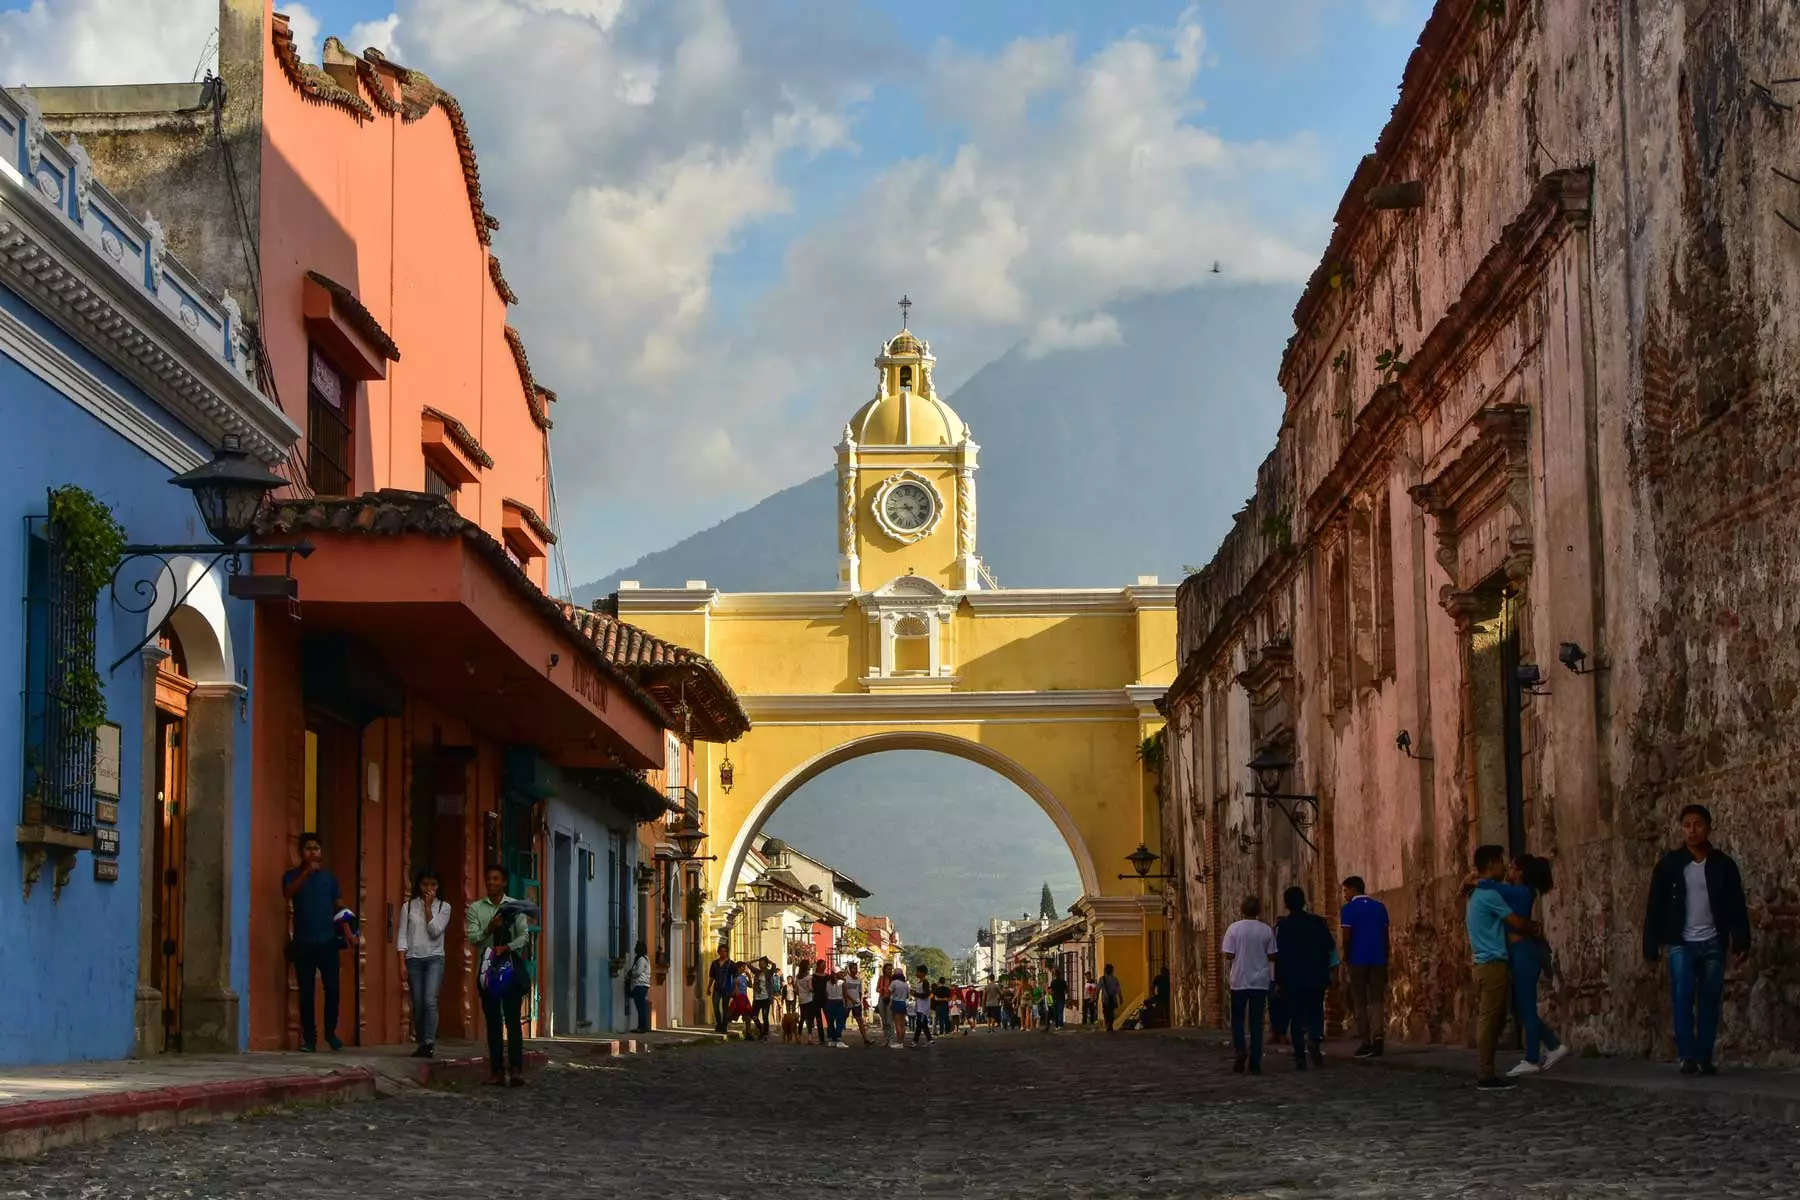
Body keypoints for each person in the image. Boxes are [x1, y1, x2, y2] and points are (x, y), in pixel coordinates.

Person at [1644, 804, 1751, 1076]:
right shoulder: (1670, 865)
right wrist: (1651, 944)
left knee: (1710, 1000)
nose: (1692, 831)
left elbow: (1735, 904)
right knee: (1682, 995)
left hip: (1713, 939)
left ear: (1708, 828)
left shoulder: (1723, 865)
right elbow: (1655, 906)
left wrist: (1741, 940)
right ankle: (1687, 1056)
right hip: (1681, 941)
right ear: (1681, 829)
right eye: (1687, 826)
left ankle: (1704, 1056)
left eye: (1698, 825)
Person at [1487, 855, 1569, 1077]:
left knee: (1527, 1008)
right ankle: (1552, 1045)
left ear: (1520, 872)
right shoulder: (1523, 892)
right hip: (1521, 952)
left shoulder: (1521, 892)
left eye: (1512, 867)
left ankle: (1533, 1058)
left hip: (1524, 953)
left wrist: (1476, 878)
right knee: (1525, 1008)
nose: (1509, 870)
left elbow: (1490, 885)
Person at [1465, 845, 1538, 1090]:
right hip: (1493, 964)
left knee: (1493, 1019)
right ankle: (1485, 1074)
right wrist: (1534, 928)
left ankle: (1487, 1070)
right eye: (1500, 862)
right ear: (1491, 864)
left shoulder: (1475, 894)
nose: (1504, 867)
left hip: (1482, 963)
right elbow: (1515, 922)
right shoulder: (1490, 895)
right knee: (1490, 1020)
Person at [282, 833, 355, 1053]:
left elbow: (339, 906)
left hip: (328, 941)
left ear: (321, 852)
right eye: (308, 848)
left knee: (332, 989)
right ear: (301, 852)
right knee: (306, 992)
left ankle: (330, 1033)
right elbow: (288, 893)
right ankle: (310, 1039)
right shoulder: (291, 875)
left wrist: (350, 932)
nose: (312, 851)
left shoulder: (330, 879)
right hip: (304, 941)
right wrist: (305, 873)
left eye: (316, 848)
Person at [467, 862, 531, 1087]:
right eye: (488, 879)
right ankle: (496, 1070)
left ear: (504, 882)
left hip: (510, 969)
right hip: (488, 970)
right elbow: (473, 939)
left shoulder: (515, 907)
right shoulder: (476, 908)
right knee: (493, 1022)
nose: (491, 882)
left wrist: (509, 947)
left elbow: (524, 936)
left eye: (496, 879)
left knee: (512, 1021)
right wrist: (490, 929)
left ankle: (516, 1069)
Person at [1274, 887, 1333, 1070]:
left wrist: (1279, 980)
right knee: (1316, 1012)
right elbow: (1329, 946)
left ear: (1286, 904)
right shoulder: (1317, 922)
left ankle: (1300, 1056)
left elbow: (1279, 956)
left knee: (1296, 1018)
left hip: (1293, 979)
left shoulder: (1283, 927)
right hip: (1316, 976)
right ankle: (1315, 1039)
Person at [396, 866, 451, 1058]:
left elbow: (435, 931)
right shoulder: (408, 906)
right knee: (418, 1003)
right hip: (413, 959)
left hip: (435, 958)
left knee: (430, 1000)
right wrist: (401, 962)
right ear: (419, 885)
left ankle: (429, 1041)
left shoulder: (444, 907)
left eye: (433, 884)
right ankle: (421, 1041)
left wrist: (428, 908)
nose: (429, 888)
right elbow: (402, 936)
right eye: (425, 884)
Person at [1221, 895, 1278, 1075]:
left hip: (1239, 980)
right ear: (1258, 911)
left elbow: (1229, 954)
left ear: (1242, 910)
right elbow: (1272, 955)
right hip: (1260, 981)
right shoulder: (1266, 930)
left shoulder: (1234, 929)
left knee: (1238, 1020)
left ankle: (1240, 1050)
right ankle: (1255, 1061)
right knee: (1256, 1023)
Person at [1339, 875, 1390, 1058]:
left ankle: (1365, 1041)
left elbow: (1346, 937)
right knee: (1377, 999)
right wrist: (1386, 957)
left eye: (1345, 891)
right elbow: (1386, 936)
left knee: (1359, 1001)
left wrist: (1346, 957)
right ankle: (1378, 1036)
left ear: (1353, 890)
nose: (1344, 895)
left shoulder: (1348, 910)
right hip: (1378, 958)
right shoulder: (1380, 908)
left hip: (1357, 959)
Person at [626, 940, 653, 1034]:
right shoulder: (645, 958)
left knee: (640, 1007)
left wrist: (631, 973)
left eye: (636, 947)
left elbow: (638, 972)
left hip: (640, 984)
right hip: (642, 985)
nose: (634, 949)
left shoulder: (641, 959)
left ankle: (642, 1027)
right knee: (640, 1006)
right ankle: (641, 1026)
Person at [706, 944, 733, 1034]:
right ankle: (719, 1024)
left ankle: (724, 1026)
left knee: (725, 1008)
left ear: (727, 952)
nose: (723, 953)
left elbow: (735, 977)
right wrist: (708, 987)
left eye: (725, 951)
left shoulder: (731, 964)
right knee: (716, 1006)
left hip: (727, 988)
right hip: (717, 988)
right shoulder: (714, 964)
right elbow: (711, 977)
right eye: (721, 951)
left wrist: (735, 989)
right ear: (718, 952)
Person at [845, 961, 870, 1045]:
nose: (856, 970)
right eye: (854, 968)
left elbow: (860, 992)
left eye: (856, 968)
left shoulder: (858, 980)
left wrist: (859, 1001)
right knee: (842, 1020)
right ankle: (837, 1038)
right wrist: (849, 999)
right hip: (847, 1003)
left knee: (860, 1021)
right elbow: (844, 992)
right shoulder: (846, 978)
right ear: (850, 969)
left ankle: (865, 1039)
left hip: (856, 1003)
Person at [887, 967, 911, 1049]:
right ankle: (902, 1041)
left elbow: (888, 992)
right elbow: (908, 996)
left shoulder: (894, 983)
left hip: (896, 1003)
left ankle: (899, 1042)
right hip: (903, 1003)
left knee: (897, 1024)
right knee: (902, 1024)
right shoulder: (905, 984)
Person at [810, 960, 832, 1045]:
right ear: (818, 966)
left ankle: (830, 1035)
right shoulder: (813, 977)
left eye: (825, 965)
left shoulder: (828, 977)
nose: (824, 966)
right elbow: (811, 987)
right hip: (816, 999)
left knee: (829, 1018)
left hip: (826, 998)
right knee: (819, 1020)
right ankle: (821, 1038)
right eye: (822, 965)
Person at [1099, 963, 1123, 1031]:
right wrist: (1120, 997)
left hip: (1105, 999)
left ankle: (1107, 1025)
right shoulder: (1115, 979)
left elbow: (1098, 990)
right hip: (1113, 998)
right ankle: (1110, 1025)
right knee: (1111, 1012)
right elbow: (1118, 990)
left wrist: (1095, 998)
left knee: (1106, 1012)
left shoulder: (1102, 979)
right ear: (1112, 970)